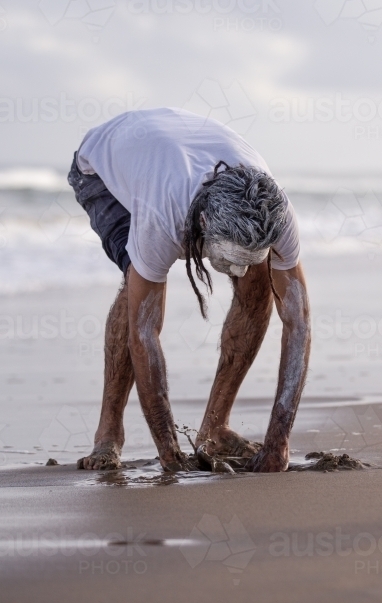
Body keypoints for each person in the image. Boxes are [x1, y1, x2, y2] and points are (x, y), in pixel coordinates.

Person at [67, 107, 311, 473]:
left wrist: (279, 442)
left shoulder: (275, 214)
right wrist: (170, 456)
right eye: (231, 258)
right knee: (138, 286)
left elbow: (299, 324)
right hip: (102, 169)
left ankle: (214, 427)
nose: (239, 270)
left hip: (175, 147)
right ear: (203, 223)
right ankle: (109, 432)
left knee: (258, 285)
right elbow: (144, 333)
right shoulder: (161, 213)